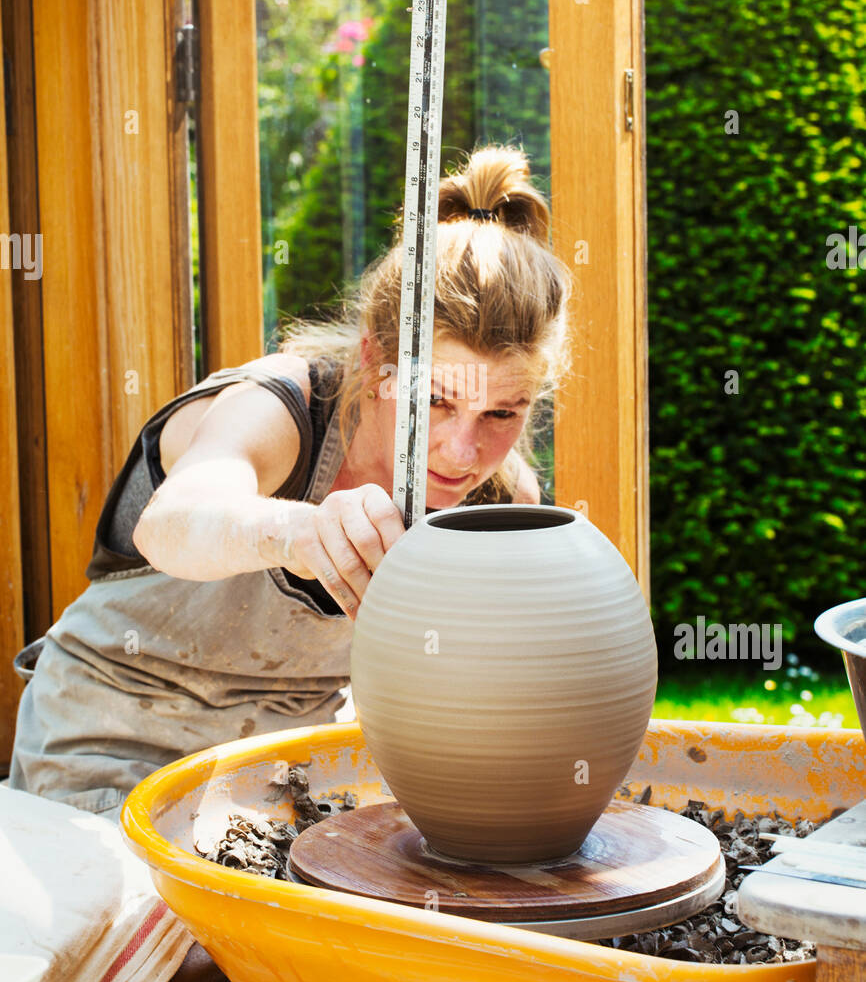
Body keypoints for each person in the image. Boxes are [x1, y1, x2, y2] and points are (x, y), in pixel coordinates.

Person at [7, 144, 572, 819]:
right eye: (434, 401)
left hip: (283, 783)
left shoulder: (500, 502)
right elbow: (172, 521)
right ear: (373, 358)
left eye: (501, 413)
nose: (460, 449)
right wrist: (301, 532)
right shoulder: (282, 406)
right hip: (110, 746)